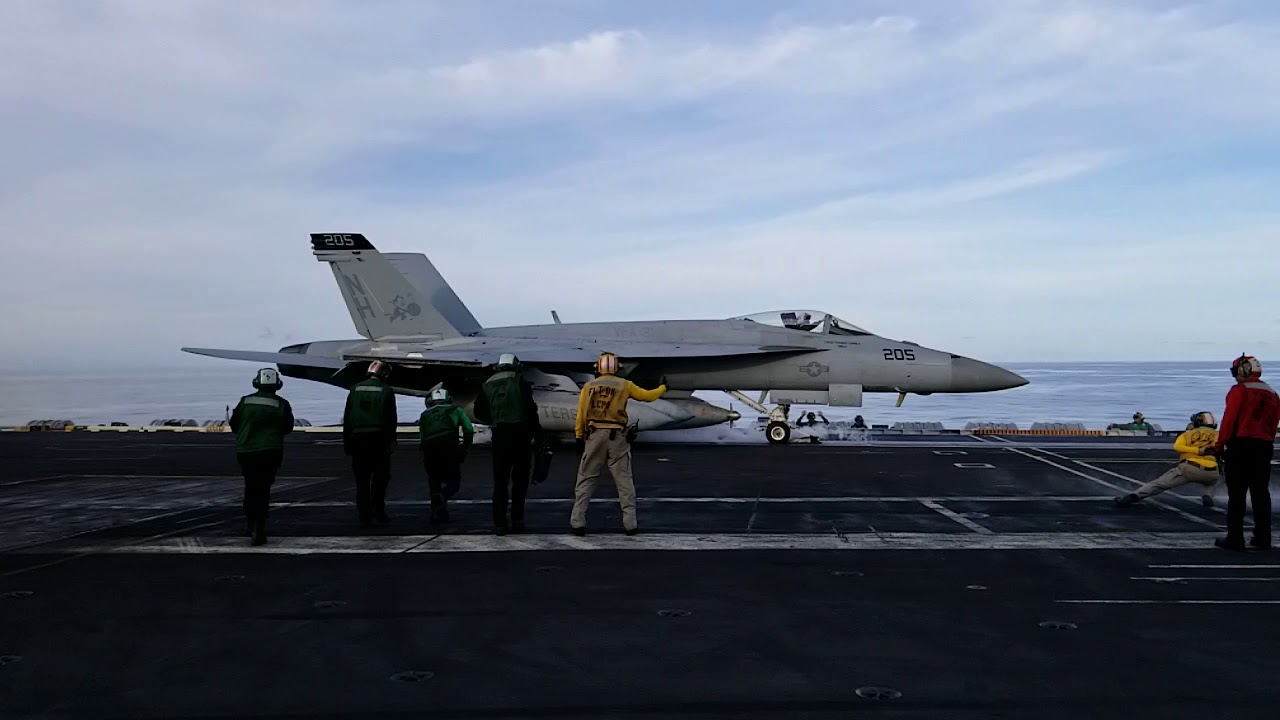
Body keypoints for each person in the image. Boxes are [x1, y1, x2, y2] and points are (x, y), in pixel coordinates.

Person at [570, 352, 667, 536]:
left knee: (585, 480)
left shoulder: (588, 386)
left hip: (594, 436)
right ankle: (630, 524)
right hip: (617, 438)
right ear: (616, 367)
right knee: (624, 481)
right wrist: (663, 388)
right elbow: (647, 396)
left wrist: (578, 436)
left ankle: (577, 522)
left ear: (598, 367)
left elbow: (581, 414)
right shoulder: (624, 385)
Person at [1213, 354, 1280, 551]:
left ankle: (1235, 538)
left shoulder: (1240, 390)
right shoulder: (1272, 392)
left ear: (1243, 370)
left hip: (1240, 446)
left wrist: (1219, 445)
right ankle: (1263, 537)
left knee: (1237, 494)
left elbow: (1229, 419)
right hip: (1264, 446)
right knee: (1260, 493)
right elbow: (1273, 423)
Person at [474, 353, 541, 535]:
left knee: (500, 481)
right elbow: (530, 409)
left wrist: (495, 420)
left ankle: (500, 523)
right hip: (520, 434)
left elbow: (479, 411)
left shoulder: (487, 383)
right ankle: (518, 520)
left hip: (500, 434)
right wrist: (538, 435)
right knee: (520, 481)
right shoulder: (519, 380)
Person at [228, 368, 295, 546]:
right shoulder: (282, 404)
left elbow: (234, 425)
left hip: (246, 451)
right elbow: (288, 428)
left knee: (250, 486)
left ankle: (250, 523)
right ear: (277, 385)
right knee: (263, 489)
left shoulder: (245, 401)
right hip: (270, 451)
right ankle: (260, 525)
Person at [1114, 412, 1220, 508]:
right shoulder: (1219, 435)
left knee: (1159, 484)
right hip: (1211, 471)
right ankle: (1208, 496)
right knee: (1213, 480)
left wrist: (1197, 450)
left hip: (1189, 468)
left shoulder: (1188, 434)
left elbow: (1177, 447)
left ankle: (1134, 496)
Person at [343, 360, 398, 527]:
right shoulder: (387, 390)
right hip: (379, 439)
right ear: (384, 374)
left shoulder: (355, 389)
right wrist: (392, 441)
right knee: (380, 478)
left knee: (362, 479)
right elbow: (390, 419)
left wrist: (347, 442)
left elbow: (347, 417)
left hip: (358, 438)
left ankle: (364, 514)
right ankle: (379, 511)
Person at [418, 387, 474, 526]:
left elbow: (423, 438)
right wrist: (465, 448)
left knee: (434, 482)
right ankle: (442, 499)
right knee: (453, 482)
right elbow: (468, 429)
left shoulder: (425, 415)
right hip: (449, 449)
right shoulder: (456, 410)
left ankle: (437, 514)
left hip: (431, 452)